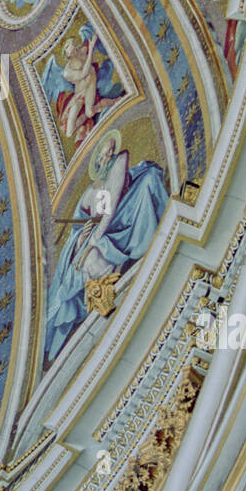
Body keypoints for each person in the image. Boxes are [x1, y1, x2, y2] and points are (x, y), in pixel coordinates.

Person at [45, 132, 168, 357]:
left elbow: (107, 213)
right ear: (97, 163)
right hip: (100, 232)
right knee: (77, 273)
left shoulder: (119, 164)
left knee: (91, 259)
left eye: (110, 151)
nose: (107, 156)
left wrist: (92, 243)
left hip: (119, 218)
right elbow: (81, 225)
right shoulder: (91, 191)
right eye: (103, 155)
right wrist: (81, 240)